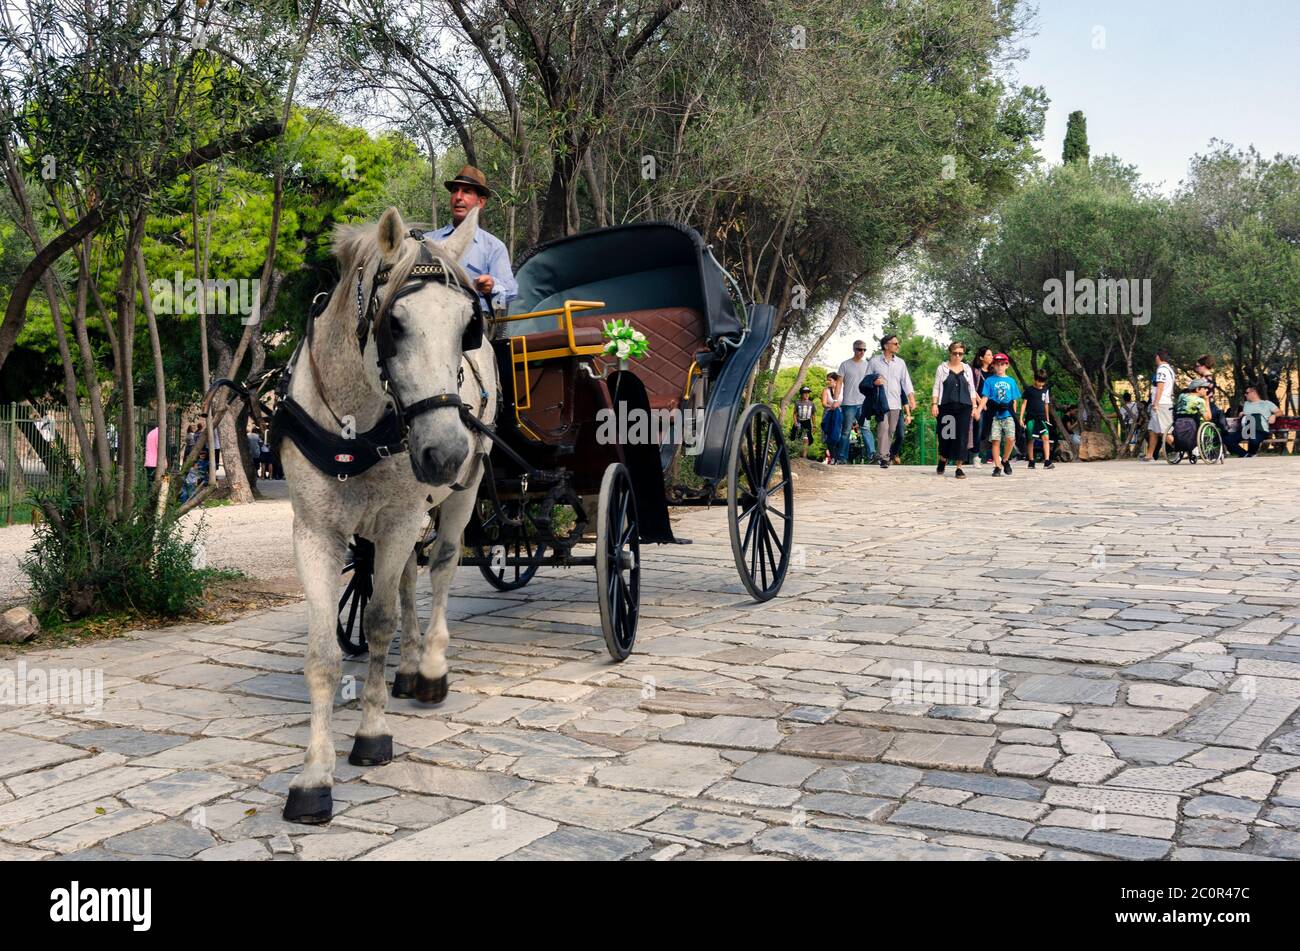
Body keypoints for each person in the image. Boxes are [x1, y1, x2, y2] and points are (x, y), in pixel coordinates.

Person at [428, 165, 518, 313]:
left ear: (480, 202)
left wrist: (492, 286)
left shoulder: (493, 247)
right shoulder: (428, 240)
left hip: (476, 325)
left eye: (466, 192)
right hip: (432, 319)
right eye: (455, 190)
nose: (458, 197)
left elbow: (508, 295)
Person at [865, 333, 915, 469]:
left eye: (898, 343)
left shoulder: (900, 363)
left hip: (895, 403)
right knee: (883, 428)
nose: (898, 346)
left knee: (891, 430)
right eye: (895, 343)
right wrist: (874, 381)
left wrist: (911, 398)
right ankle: (884, 457)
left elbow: (906, 382)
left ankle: (883, 454)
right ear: (886, 346)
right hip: (880, 402)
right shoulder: (874, 361)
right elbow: (866, 380)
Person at [931, 341, 979, 479]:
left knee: (962, 437)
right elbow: (936, 387)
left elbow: (972, 389)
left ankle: (959, 467)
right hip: (946, 406)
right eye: (955, 353)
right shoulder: (942, 368)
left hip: (964, 407)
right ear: (950, 353)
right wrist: (934, 404)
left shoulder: (967, 369)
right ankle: (943, 458)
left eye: (960, 354)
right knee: (947, 436)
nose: (957, 356)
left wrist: (974, 407)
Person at [980, 353, 1021, 476]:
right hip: (994, 415)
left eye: (1002, 364)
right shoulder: (989, 380)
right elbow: (985, 397)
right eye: (997, 365)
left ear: (1007, 365)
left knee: (1010, 438)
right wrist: (978, 410)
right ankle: (997, 466)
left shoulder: (1011, 381)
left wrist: (1014, 415)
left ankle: (1005, 459)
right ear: (993, 366)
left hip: (1008, 414)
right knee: (995, 440)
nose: (999, 367)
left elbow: (1014, 400)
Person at [834, 340, 871, 464]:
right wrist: (835, 399)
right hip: (849, 403)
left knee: (866, 429)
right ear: (854, 349)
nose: (862, 352)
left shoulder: (867, 365)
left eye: (864, 350)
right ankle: (842, 458)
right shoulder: (845, 365)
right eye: (859, 349)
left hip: (864, 403)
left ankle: (872, 456)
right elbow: (839, 383)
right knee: (846, 431)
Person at [1142, 350, 1176, 462]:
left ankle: (1180, 449)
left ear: (1158, 357)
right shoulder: (1170, 370)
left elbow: (1160, 387)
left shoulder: (1161, 370)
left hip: (1161, 404)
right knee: (1153, 430)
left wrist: (1156, 403)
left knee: (1163, 431)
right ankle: (1149, 455)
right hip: (1165, 402)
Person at [1230, 384, 1280, 457]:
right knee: (1228, 440)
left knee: (1254, 440)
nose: (1245, 395)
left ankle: (1251, 453)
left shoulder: (1266, 403)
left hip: (1260, 430)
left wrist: (1274, 415)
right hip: (1246, 430)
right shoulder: (1246, 404)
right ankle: (1246, 454)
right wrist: (1243, 413)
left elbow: (1280, 412)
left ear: (1253, 392)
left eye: (1247, 393)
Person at [1020, 368, 1054, 470]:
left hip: (1042, 418)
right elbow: (1024, 404)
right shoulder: (1029, 390)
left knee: (1046, 438)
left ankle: (1047, 461)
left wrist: (1047, 419)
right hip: (1031, 418)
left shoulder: (1045, 390)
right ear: (1035, 379)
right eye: (1039, 381)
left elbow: (1046, 405)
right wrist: (1021, 418)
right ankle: (1031, 460)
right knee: (1031, 439)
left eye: (1043, 381)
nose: (1040, 384)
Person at [968, 346, 994, 465]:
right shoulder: (975, 371)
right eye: (988, 355)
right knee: (978, 430)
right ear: (982, 357)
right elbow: (972, 388)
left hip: (992, 405)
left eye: (991, 355)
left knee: (990, 431)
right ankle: (975, 456)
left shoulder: (993, 372)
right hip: (979, 405)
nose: (991, 357)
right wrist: (980, 403)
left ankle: (993, 455)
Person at [820, 372, 842, 464]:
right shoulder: (826, 390)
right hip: (828, 413)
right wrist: (831, 406)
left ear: (836, 381)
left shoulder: (842, 389)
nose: (828, 382)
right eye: (827, 380)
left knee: (837, 435)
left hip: (839, 413)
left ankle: (839, 456)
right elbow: (824, 403)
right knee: (828, 435)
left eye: (830, 380)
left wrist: (837, 406)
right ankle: (832, 457)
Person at [792, 386, 815, 459]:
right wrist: (795, 422)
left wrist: (814, 425)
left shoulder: (811, 404)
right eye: (805, 393)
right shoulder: (797, 403)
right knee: (798, 438)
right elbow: (795, 413)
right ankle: (797, 455)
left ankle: (804, 457)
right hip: (799, 421)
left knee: (806, 439)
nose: (807, 395)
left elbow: (813, 415)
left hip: (807, 422)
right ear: (801, 394)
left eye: (808, 393)